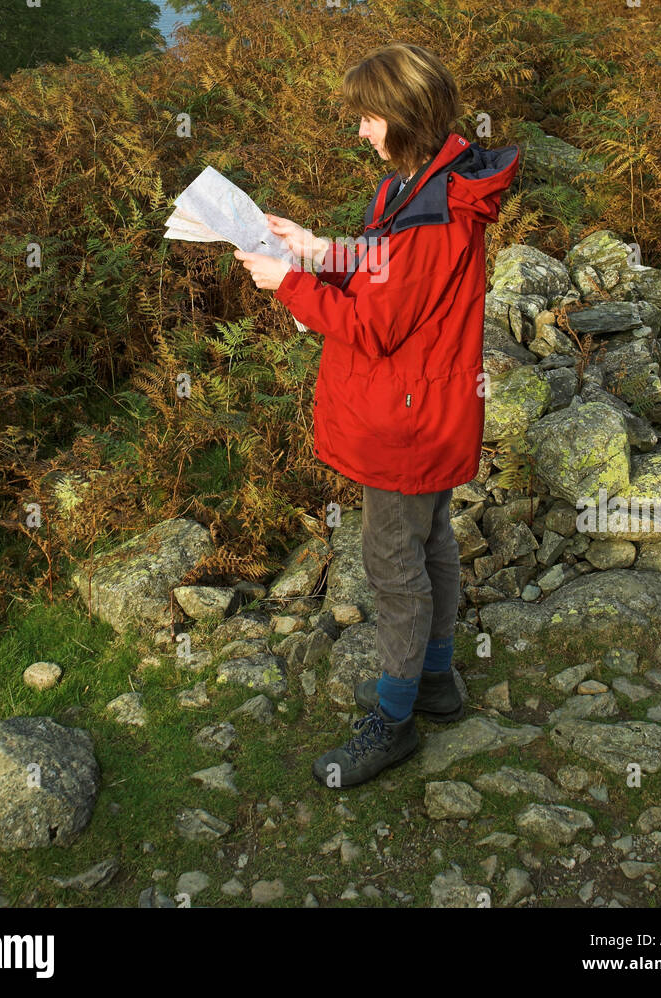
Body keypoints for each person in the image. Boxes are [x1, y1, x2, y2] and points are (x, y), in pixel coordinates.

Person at [234, 43, 519, 787]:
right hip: (431, 404)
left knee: (394, 565)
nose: (360, 131)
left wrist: (287, 281)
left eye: (367, 117)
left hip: (408, 418)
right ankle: (435, 684)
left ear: (403, 116)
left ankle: (392, 722)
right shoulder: (432, 183)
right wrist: (319, 248)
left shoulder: (432, 212)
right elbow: (386, 266)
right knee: (432, 548)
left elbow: (376, 324)